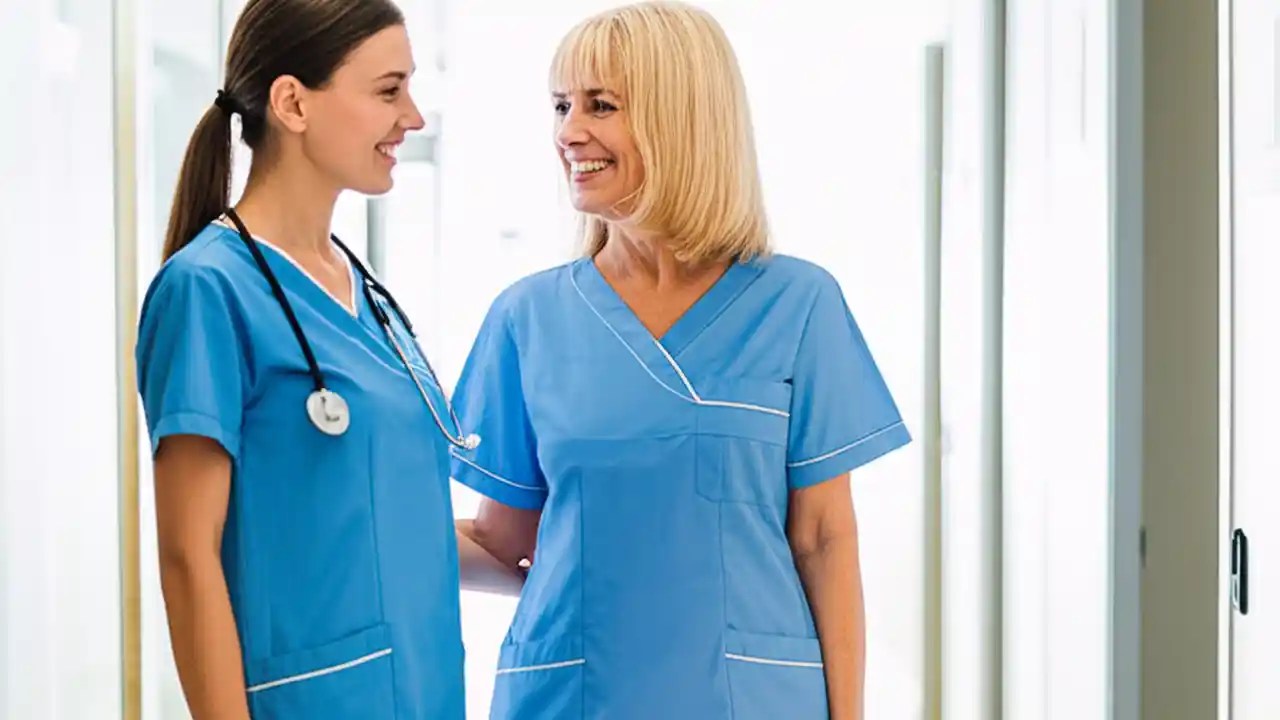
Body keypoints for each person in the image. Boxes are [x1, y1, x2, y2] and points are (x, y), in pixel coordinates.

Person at [450, 3, 911, 719]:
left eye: (600, 105)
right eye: (562, 105)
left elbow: (823, 541)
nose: (569, 132)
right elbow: (501, 543)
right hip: (574, 697)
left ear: (682, 119)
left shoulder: (798, 305)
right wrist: (341, 532)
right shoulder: (528, 318)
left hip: (750, 699)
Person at [135, 1, 518, 717]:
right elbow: (189, 560)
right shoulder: (208, 291)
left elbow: (379, 526)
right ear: (292, 103)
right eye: (388, 89)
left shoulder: (363, 293)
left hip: (426, 693)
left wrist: (560, 559)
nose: (413, 117)